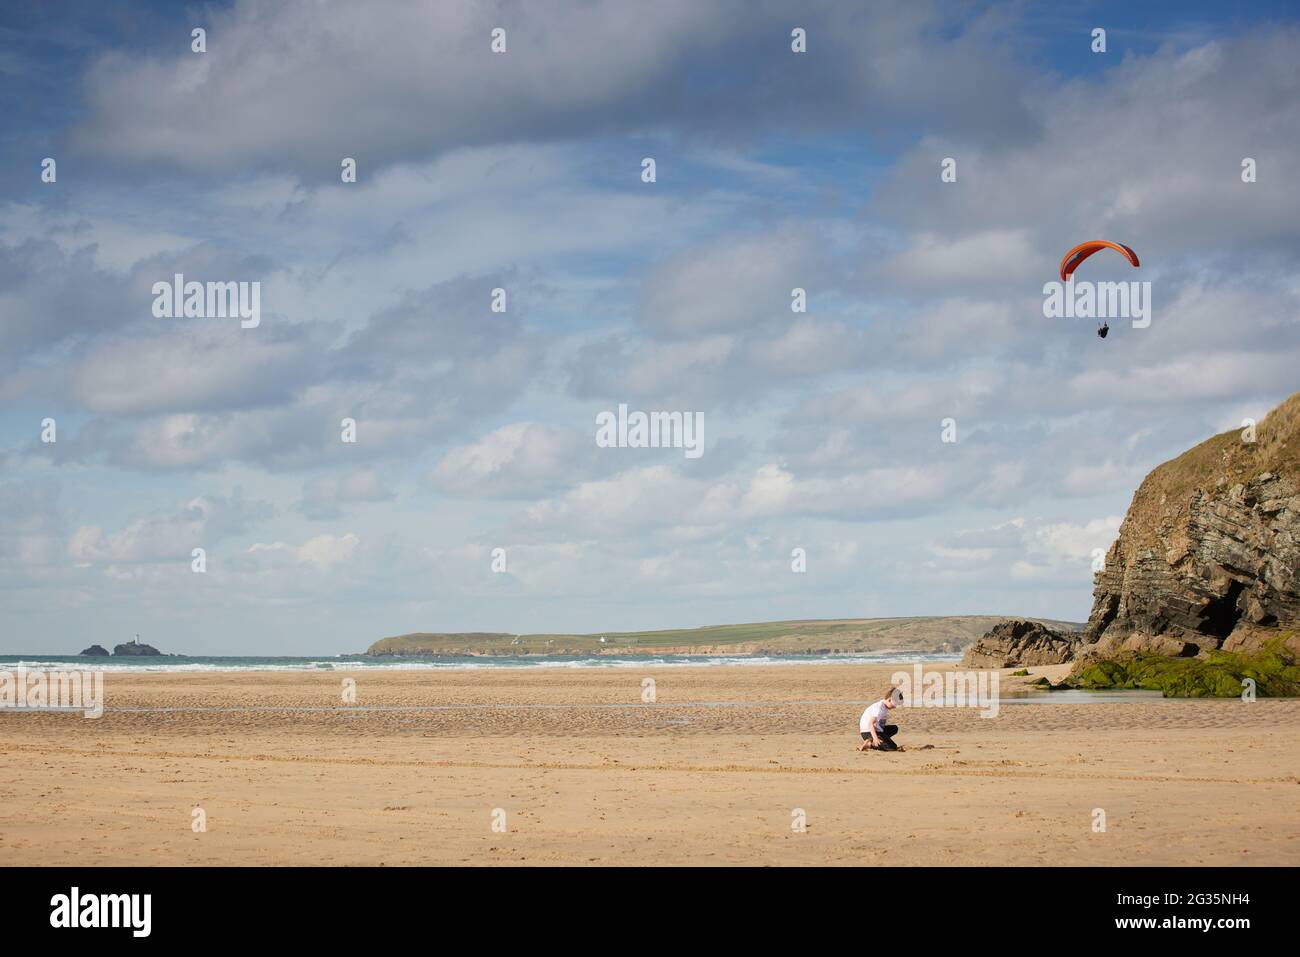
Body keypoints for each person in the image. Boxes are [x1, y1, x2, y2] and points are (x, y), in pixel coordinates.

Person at [858, 685, 903, 751]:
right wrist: (875, 738)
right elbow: (871, 723)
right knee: (892, 747)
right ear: (889, 699)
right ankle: (870, 744)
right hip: (868, 732)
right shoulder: (879, 708)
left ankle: (879, 741)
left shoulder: (883, 706)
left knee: (894, 728)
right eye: (895, 704)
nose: (895, 707)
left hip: (875, 730)